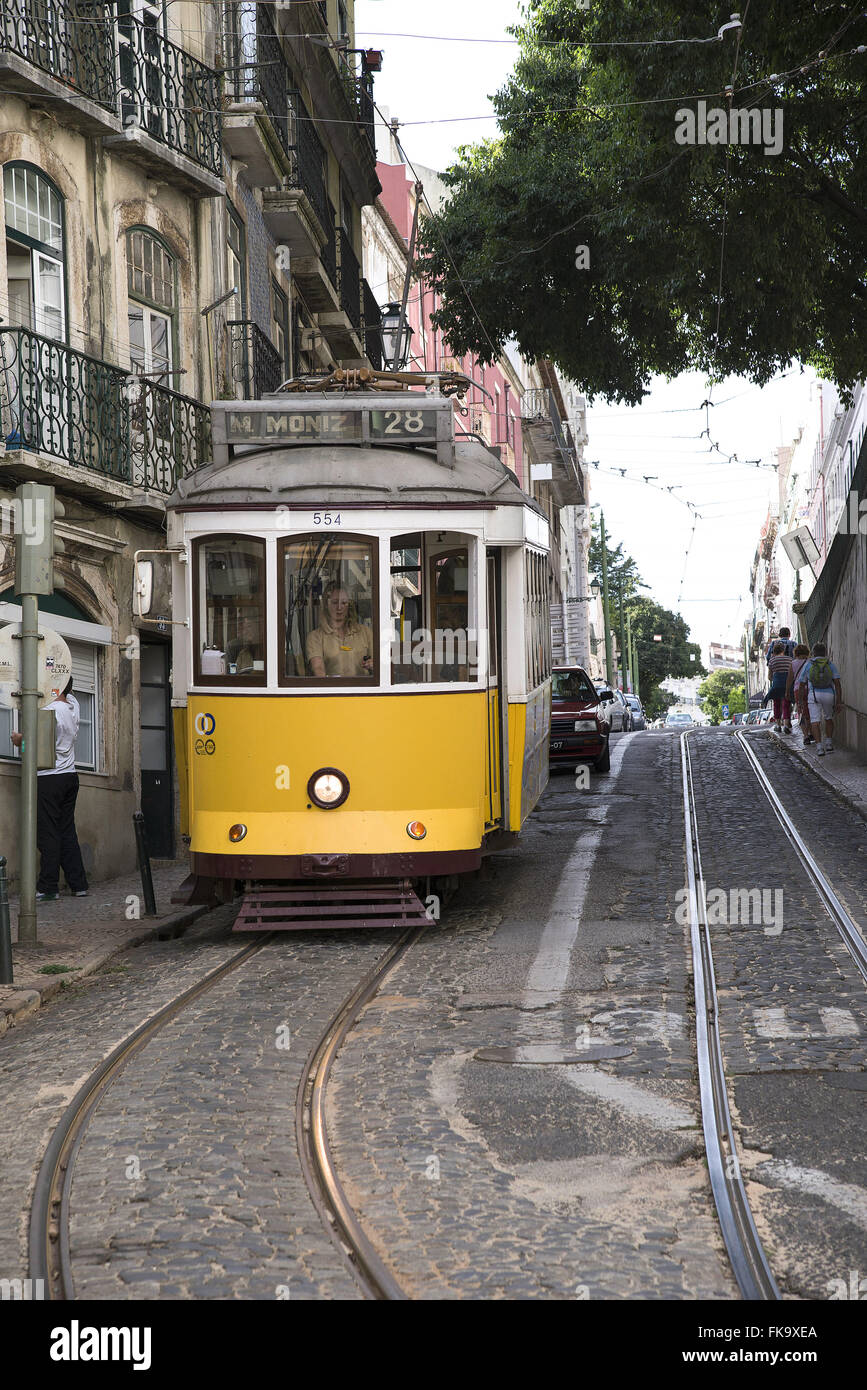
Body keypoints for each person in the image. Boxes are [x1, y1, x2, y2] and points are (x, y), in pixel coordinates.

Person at [11, 677, 89, 901]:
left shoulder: (50, 710)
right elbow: (67, 691)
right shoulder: (73, 706)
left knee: (47, 832)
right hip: (70, 776)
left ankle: (48, 886)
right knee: (66, 830)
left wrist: (19, 740)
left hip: (49, 777)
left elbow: (36, 741)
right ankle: (79, 884)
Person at [306, 583, 373, 678]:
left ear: (349, 605)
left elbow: (381, 664)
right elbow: (318, 669)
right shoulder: (315, 637)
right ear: (326, 605)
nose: (339, 608)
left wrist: (373, 665)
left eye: (344, 603)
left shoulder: (366, 632)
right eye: (334, 602)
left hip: (363, 690)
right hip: (332, 690)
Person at [795, 643, 842, 756]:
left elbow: (801, 684)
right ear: (825, 652)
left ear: (813, 653)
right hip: (829, 694)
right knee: (829, 718)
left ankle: (819, 747)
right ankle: (829, 743)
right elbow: (837, 683)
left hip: (814, 694)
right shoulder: (829, 664)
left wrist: (801, 701)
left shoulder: (808, 664)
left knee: (815, 721)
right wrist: (839, 701)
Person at [786, 643, 813, 746]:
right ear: (807, 652)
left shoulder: (793, 664)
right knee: (810, 711)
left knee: (801, 712)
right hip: (810, 689)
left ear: (796, 653)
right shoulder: (810, 662)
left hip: (798, 690)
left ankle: (805, 736)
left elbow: (789, 679)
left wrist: (787, 691)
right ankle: (811, 732)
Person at [764, 641, 793, 733]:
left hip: (776, 685)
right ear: (783, 650)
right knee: (786, 704)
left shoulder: (772, 661)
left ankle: (777, 725)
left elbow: (769, 677)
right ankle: (786, 725)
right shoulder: (790, 659)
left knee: (776, 704)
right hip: (787, 685)